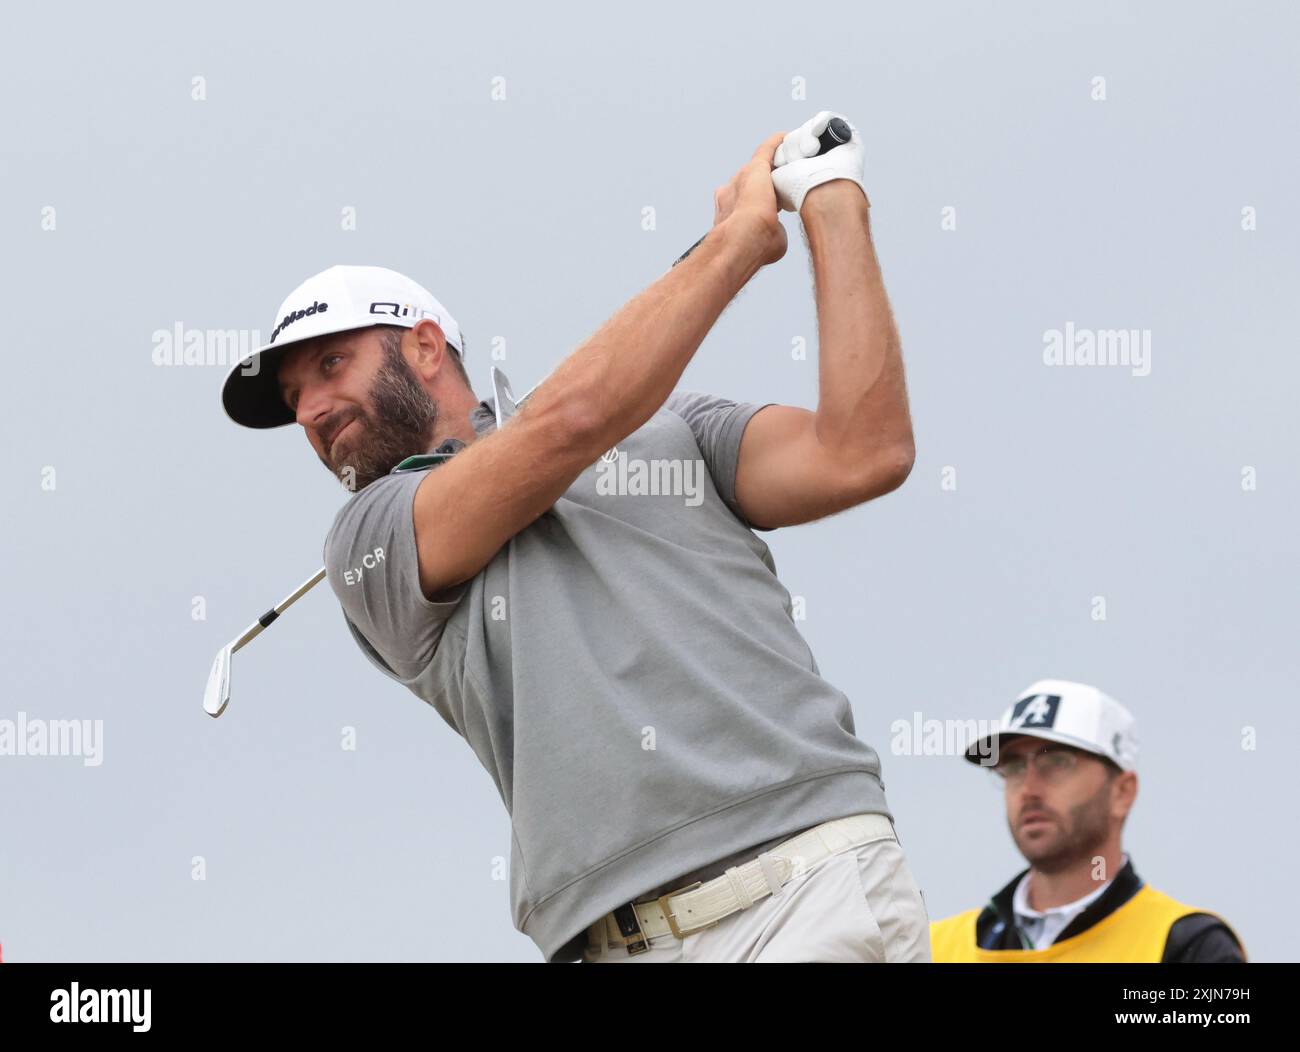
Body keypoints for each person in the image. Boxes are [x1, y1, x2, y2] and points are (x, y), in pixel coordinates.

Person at [220, 113, 930, 962]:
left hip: (804, 894)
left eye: (331, 366)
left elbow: (864, 451)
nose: (311, 410)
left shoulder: (671, 427)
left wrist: (830, 199)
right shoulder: (367, 545)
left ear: (424, 346)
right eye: (295, 397)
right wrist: (737, 244)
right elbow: (568, 424)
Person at [929, 679, 1246, 962]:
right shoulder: (931, 949)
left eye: (1056, 762)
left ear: (1122, 792)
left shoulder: (1186, 947)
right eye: (1013, 766)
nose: (1028, 789)